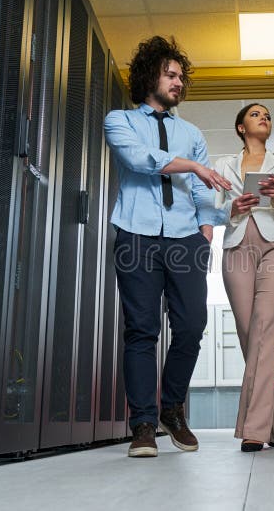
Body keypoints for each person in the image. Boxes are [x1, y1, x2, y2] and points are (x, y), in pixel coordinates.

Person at [104, 36, 231, 458]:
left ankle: (171, 408)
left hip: (185, 238)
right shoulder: (119, 120)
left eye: (181, 77)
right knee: (142, 330)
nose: (178, 82)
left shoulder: (191, 132)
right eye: (170, 74)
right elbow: (139, 159)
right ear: (149, 76)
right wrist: (194, 165)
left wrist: (207, 229)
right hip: (136, 234)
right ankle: (142, 422)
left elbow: (200, 190)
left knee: (192, 326)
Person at [214, 103, 274, 452]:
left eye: (268, 115)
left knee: (266, 326)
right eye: (256, 115)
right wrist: (231, 208)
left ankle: (253, 429)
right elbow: (212, 208)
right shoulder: (223, 164)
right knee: (250, 335)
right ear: (241, 127)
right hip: (237, 247)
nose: (264, 118)